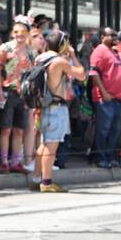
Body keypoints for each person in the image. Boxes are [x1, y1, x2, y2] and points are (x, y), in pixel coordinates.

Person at [31, 29, 86, 193]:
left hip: (44, 106)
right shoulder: (60, 61)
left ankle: (36, 179)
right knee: (52, 146)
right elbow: (81, 75)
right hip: (56, 107)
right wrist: (74, 56)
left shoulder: (41, 58)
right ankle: (47, 182)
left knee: (43, 144)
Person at [0, 16, 35, 174]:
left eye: (23, 31)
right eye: (16, 31)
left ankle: (16, 161)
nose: (19, 34)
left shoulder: (31, 51)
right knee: (6, 129)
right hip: (8, 91)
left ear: (28, 33)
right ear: (12, 33)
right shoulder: (5, 48)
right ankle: (4, 161)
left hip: (23, 94)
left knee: (19, 130)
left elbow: (34, 73)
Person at [88, 27, 121, 169]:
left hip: (119, 98)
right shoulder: (100, 51)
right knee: (103, 129)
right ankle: (100, 157)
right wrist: (104, 92)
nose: (114, 37)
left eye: (115, 34)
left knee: (115, 130)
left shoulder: (114, 52)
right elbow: (94, 74)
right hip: (106, 99)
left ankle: (111, 156)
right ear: (102, 37)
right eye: (111, 35)